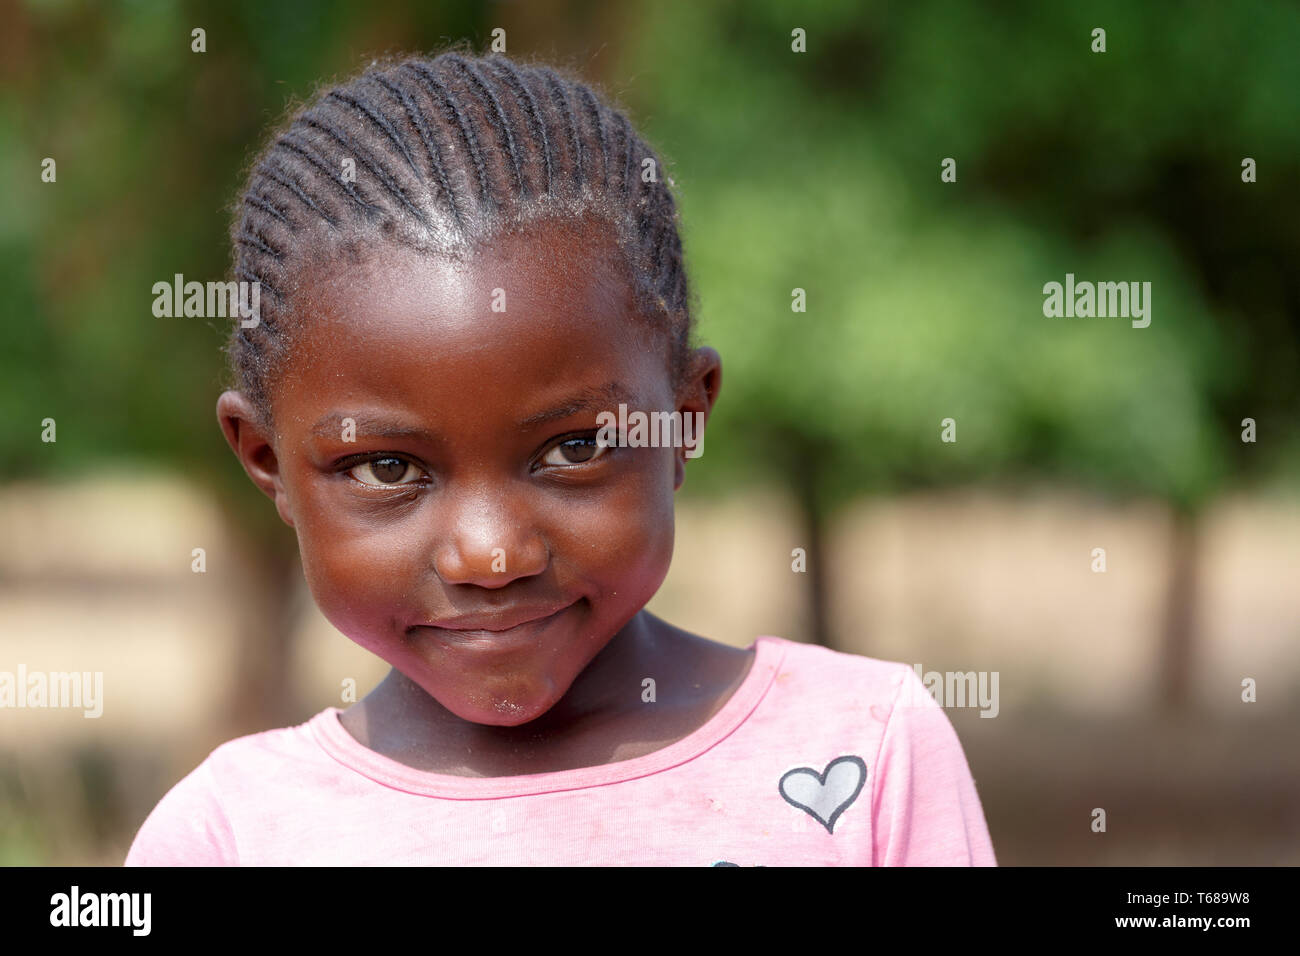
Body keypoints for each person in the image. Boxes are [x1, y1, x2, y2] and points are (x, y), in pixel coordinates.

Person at [124, 48, 996, 866]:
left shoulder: (865, 746)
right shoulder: (232, 837)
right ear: (267, 460)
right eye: (389, 469)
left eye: (574, 448)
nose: (490, 555)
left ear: (685, 420)